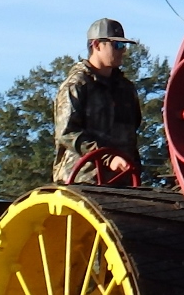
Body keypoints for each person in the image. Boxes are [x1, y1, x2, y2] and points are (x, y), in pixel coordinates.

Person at [53, 18, 143, 184]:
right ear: (96, 45)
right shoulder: (77, 85)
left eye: (123, 46)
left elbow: (132, 132)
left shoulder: (126, 89)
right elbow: (67, 133)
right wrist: (108, 158)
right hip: (84, 180)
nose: (122, 51)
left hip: (124, 182)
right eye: (116, 45)